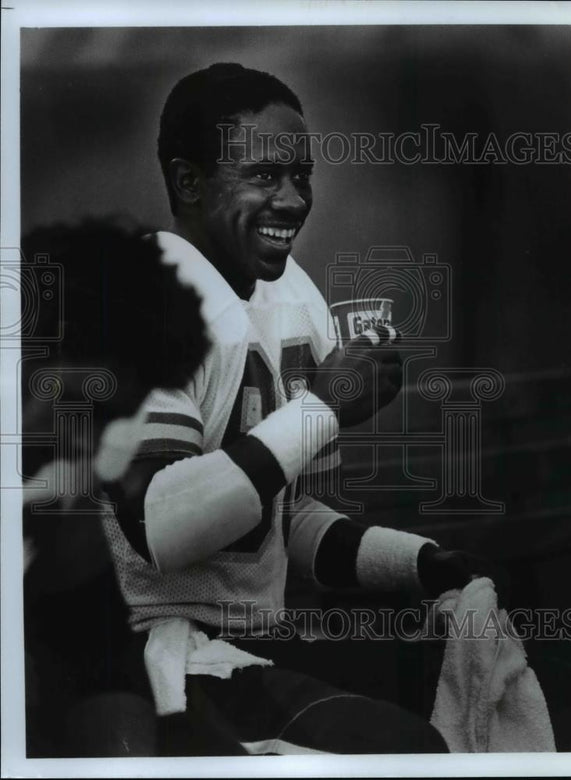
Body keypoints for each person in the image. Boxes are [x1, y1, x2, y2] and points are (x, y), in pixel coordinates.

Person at [103, 64, 498, 755]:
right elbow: (158, 525)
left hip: (249, 647)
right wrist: (320, 409)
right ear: (189, 182)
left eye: (301, 175)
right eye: (262, 176)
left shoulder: (292, 298)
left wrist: (418, 561)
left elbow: (285, 518)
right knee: (408, 751)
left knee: (442, 708)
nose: (291, 200)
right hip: (145, 660)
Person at [20, 220, 243, 756]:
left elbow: (98, 666)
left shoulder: (66, 503)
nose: (97, 447)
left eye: (114, 416)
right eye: (84, 404)